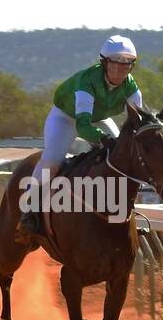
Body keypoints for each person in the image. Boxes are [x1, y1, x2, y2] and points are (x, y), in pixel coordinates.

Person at [17, 35, 145, 239]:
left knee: (123, 158)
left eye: (127, 64)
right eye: (116, 63)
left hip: (98, 118)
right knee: (51, 161)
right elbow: (83, 126)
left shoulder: (131, 87)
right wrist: (103, 139)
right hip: (66, 118)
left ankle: (128, 214)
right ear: (104, 63)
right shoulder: (88, 81)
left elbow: (139, 123)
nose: (120, 69)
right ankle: (29, 211)